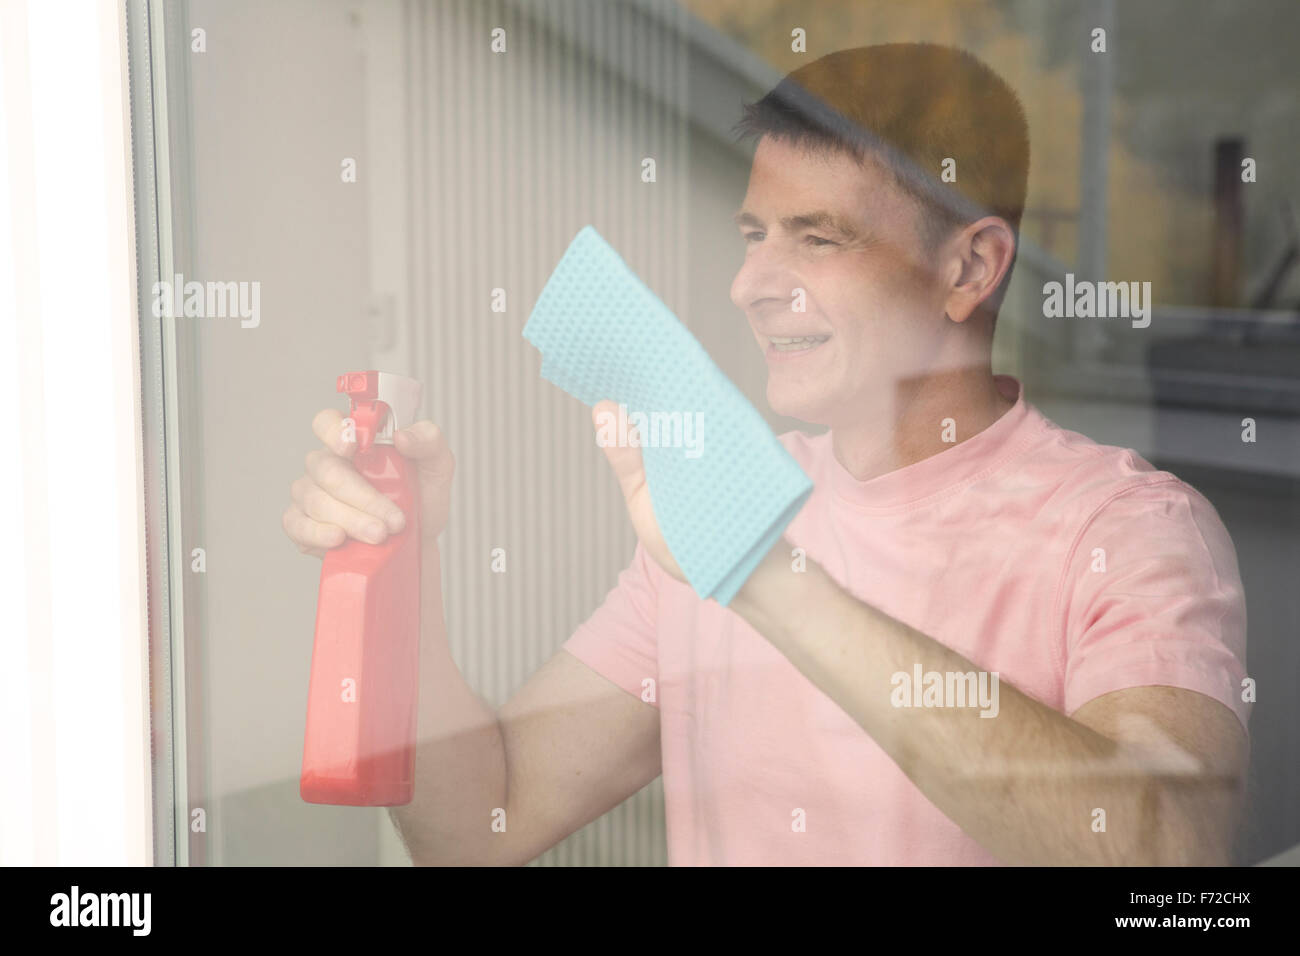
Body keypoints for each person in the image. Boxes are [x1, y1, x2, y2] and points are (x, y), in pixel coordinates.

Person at [281, 43, 1249, 866]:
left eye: (815, 239)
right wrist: (399, 554)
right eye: (752, 237)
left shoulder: (1124, 528)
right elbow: (481, 818)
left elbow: (1167, 849)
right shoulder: (705, 511)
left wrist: (760, 572)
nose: (749, 283)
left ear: (968, 267)